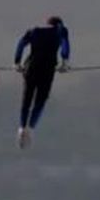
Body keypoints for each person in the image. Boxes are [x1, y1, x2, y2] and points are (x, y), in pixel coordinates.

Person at [13, 16, 71, 148]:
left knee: (26, 100)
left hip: (30, 68)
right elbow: (65, 46)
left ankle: (21, 128)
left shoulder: (34, 31)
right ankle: (30, 128)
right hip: (47, 70)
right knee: (40, 101)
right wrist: (65, 63)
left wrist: (17, 62)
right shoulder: (60, 30)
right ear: (59, 24)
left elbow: (21, 44)